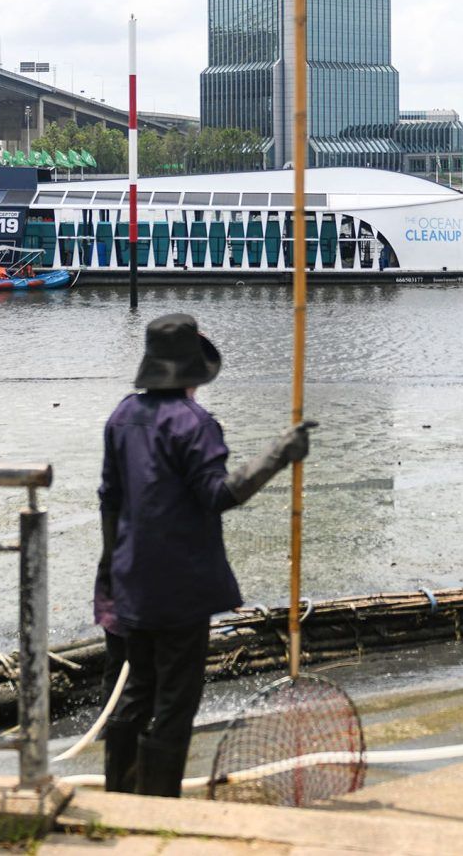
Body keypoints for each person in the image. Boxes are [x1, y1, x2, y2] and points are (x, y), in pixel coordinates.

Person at [95, 314, 314, 797]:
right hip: (180, 588)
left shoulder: (122, 416)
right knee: (176, 700)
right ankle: (158, 806)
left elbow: (109, 499)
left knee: (135, 694)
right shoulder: (194, 424)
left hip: (130, 581)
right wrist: (280, 452)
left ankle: (121, 797)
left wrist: (112, 568)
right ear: (194, 373)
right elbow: (219, 493)